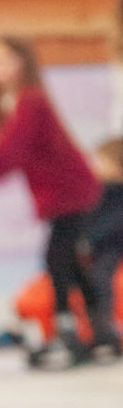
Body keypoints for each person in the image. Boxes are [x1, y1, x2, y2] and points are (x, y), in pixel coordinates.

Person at [0, 36, 101, 368]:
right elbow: (8, 153)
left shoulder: (30, 101)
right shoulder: (16, 102)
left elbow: (10, 152)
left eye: (6, 61)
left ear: (23, 63)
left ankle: (67, 335)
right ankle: (98, 331)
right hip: (65, 195)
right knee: (72, 264)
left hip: (70, 192)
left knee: (58, 260)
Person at [83, 138, 123, 359]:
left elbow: (113, 225)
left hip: (113, 250)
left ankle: (105, 326)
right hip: (98, 249)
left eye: (101, 162)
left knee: (99, 275)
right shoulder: (98, 191)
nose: (95, 166)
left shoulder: (116, 193)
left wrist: (89, 239)